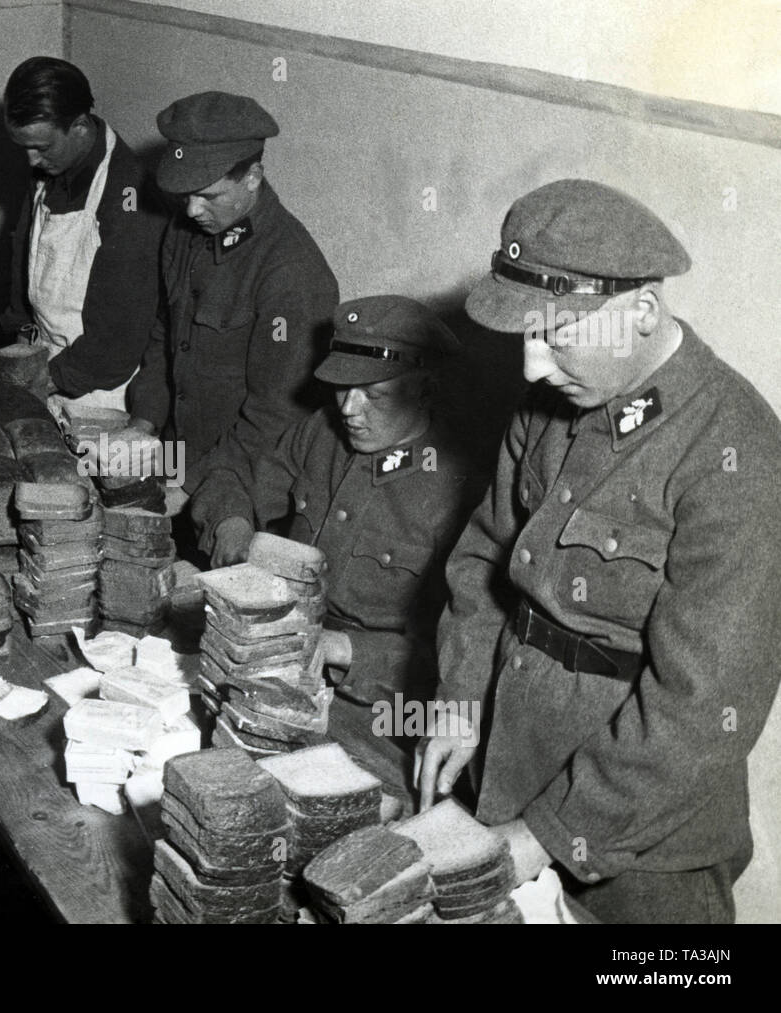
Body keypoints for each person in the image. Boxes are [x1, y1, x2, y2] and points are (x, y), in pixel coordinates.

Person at [417, 179, 781, 923]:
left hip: (644, 843)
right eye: (526, 336)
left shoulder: (735, 454)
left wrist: (547, 833)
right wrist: (458, 696)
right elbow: (485, 560)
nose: (531, 367)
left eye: (555, 335)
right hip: (508, 771)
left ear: (641, 312)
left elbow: (699, 706)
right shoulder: (554, 404)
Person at [191, 296, 485, 789]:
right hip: (273, 669)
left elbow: (462, 659)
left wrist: (342, 648)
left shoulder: (459, 490)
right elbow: (232, 472)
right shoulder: (323, 434)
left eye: (374, 394)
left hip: (380, 715)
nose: (349, 410)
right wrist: (234, 527)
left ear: (425, 388)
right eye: (342, 390)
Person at [125, 91, 338, 501]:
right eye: (183, 195)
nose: (190, 211)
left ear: (253, 177)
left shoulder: (292, 272)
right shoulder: (187, 232)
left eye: (208, 196)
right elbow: (164, 337)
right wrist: (143, 424)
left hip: (239, 486)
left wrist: (194, 487)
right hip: (177, 457)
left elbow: (277, 416)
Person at [1, 57, 165, 410]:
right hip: (43, 362)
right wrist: (17, 354)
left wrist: (37, 383)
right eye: (24, 147)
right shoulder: (51, 166)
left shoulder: (128, 199)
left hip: (99, 388)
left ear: (79, 126)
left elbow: (116, 341)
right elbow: (22, 253)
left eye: (42, 147)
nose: (30, 160)